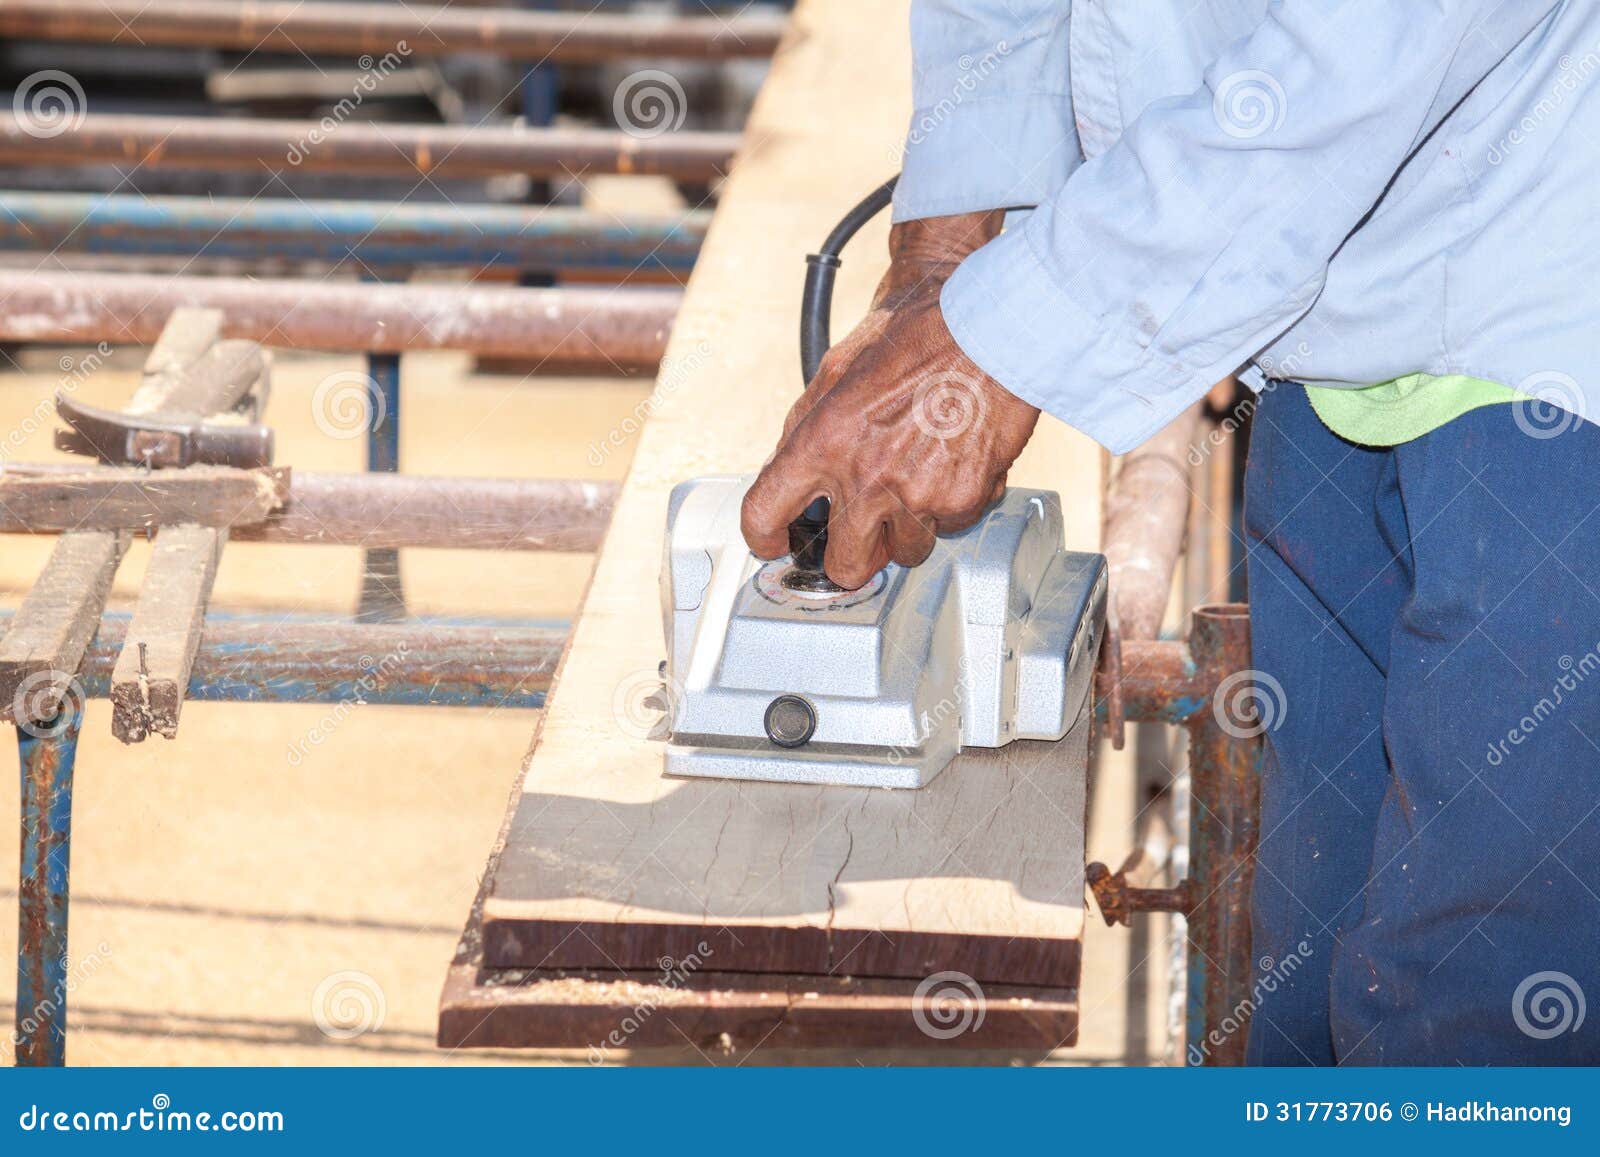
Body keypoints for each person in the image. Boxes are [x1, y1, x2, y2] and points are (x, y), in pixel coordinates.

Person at [740, 0, 1600, 1065]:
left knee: (1469, 1008)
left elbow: (1376, 43)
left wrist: (998, 340)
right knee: (1298, 977)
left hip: (1552, 329)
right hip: (1320, 325)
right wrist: (939, 265)